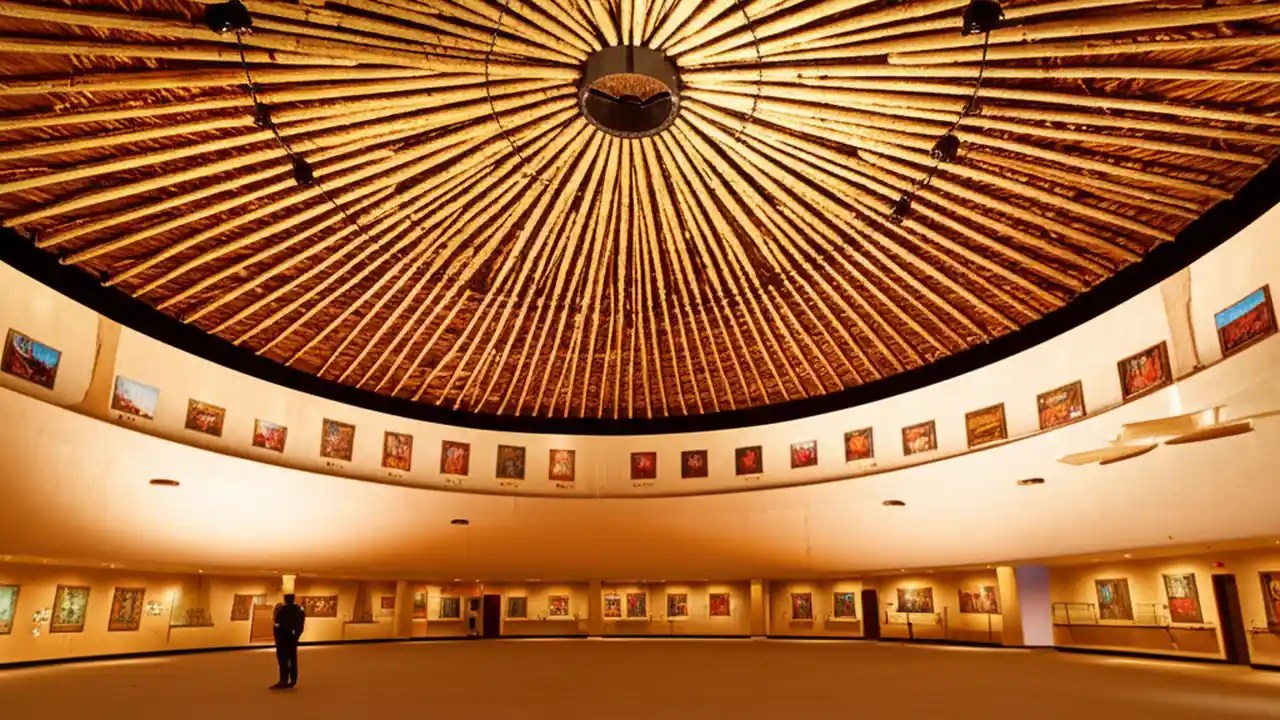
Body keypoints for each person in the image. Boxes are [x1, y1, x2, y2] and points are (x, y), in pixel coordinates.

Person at [270, 594, 306, 689]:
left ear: (285, 599)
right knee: (292, 658)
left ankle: (283, 680)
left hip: (283, 638)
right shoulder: (299, 609)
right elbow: (301, 623)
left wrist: (277, 637)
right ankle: (293, 679)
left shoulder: (282, 610)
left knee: (283, 659)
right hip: (292, 638)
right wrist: (296, 634)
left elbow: (277, 624)